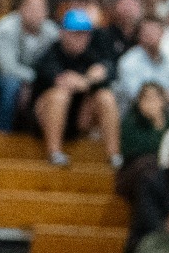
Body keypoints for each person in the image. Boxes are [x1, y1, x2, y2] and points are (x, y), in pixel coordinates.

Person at [30, 10, 120, 168]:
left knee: (105, 96)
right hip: (44, 119)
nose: (81, 39)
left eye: (85, 34)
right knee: (60, 95)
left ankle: (114, 156)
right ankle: (54, 152)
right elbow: (63, 80)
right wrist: (89, 79)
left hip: (80, 119)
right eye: (75, 34)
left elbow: (108, 71)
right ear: (63, 33)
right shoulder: (49, 54)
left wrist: (87, 80)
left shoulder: (91, 55)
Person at [0, 0, 57, 133]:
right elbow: (7, 68)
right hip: (0, 78)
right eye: (31, 8)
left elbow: (55, 63)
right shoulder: (6, 28)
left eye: (40, 9)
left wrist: (37, 82)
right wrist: (33, 79)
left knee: (55, 89)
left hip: (35, 80)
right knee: (12, 85)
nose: (35, 13)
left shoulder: (52, 33)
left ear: (46, 13)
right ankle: (1, 133)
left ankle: (36, 137)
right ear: (20, 9)